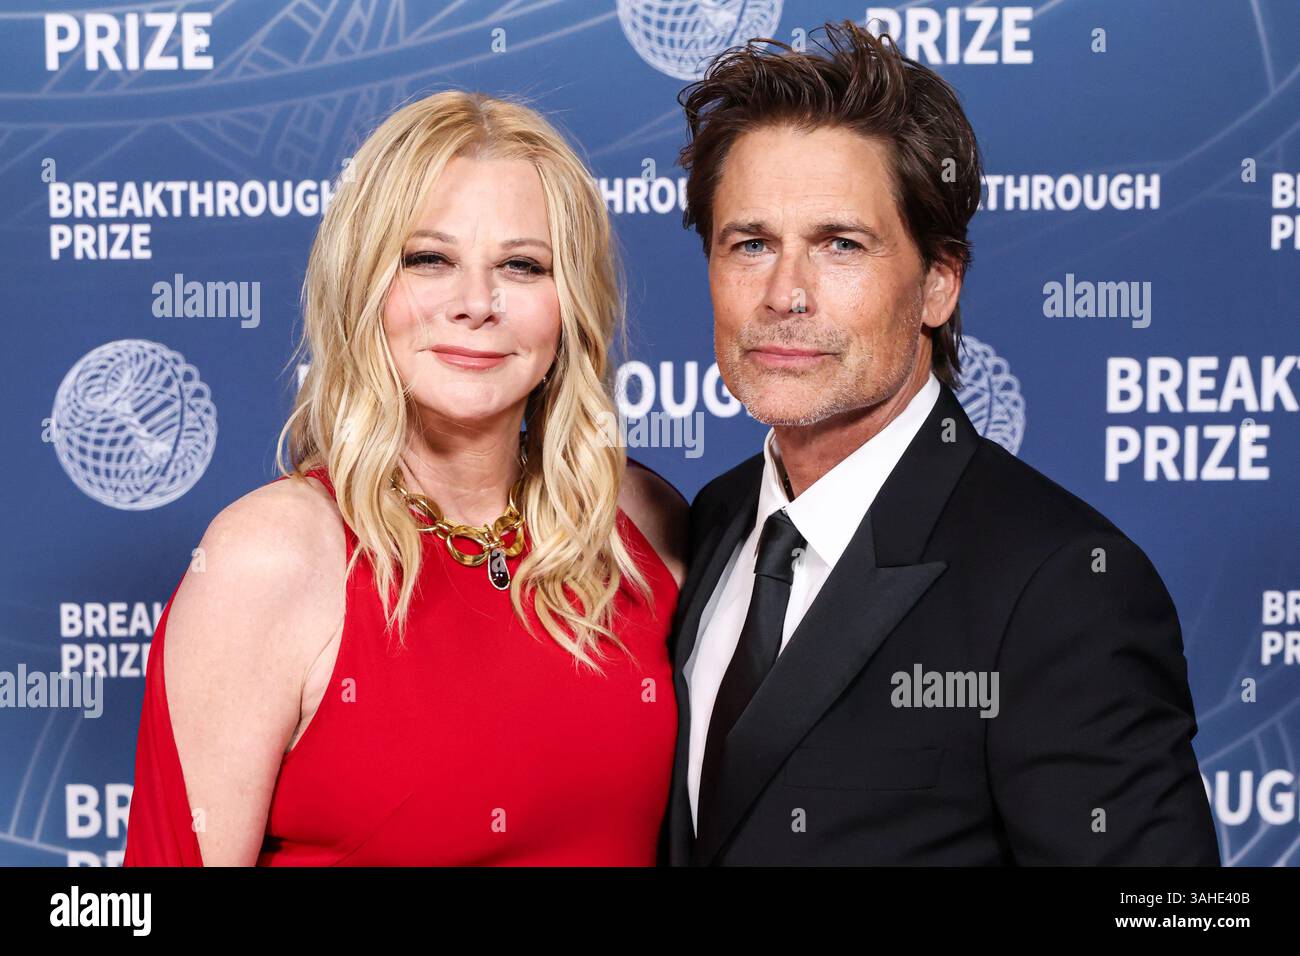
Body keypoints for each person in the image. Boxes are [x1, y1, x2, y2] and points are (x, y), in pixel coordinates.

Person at [660, 21, 1220, 866]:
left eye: (840, 245)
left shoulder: (1062, 586)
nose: (785, 294)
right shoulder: (711, 522)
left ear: (936, 285)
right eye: (751, 244)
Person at [124, 90, 687, 866]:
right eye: (429, 260)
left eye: (522, 266)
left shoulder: (640, 525)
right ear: (364, 288)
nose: (476, 304)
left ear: (571, 305)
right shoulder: (271, 557)